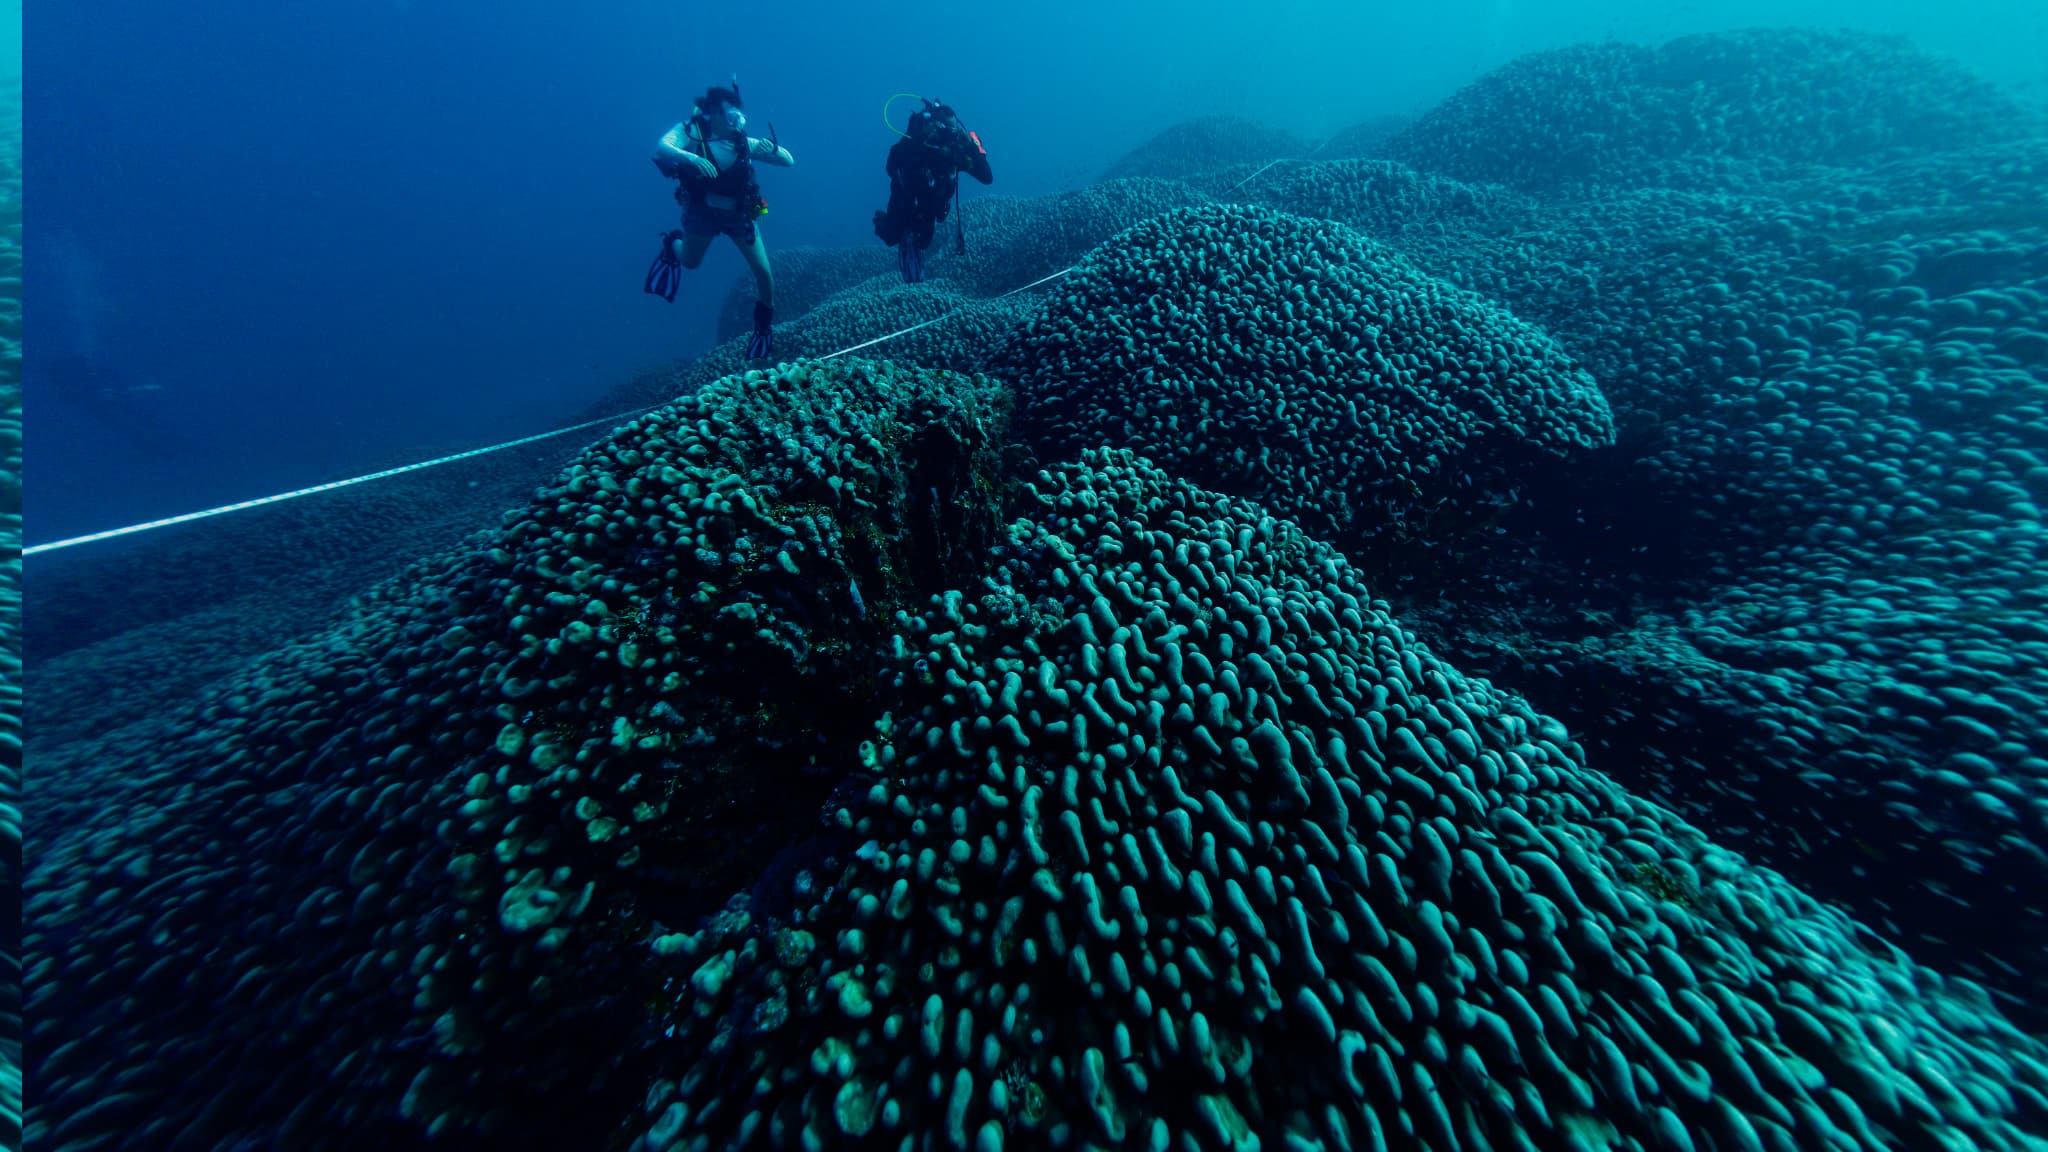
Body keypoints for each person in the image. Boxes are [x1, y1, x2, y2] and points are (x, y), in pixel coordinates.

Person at [644, 78, 794, 359]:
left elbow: (789, 160)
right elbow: (662, 146)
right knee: (690, 261)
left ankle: (762, 329)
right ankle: (672, 246)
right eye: (731, 114)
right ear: (713, 112)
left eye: (740, 115)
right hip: (702, 212)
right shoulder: (690, 132)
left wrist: (771, 148)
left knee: (764, 273)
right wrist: (690, 159)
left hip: (738, 214)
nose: (737, 121)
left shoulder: (744, 143)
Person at [872, 98, 991, 283]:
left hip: (931, 204)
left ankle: (910, 244)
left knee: (922, 241)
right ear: (934, 126)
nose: (946, 136)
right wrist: (918, 139)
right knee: (891, 236)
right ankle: (885, 221)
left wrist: (976, 149)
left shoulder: (957, 149)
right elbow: (891, 167)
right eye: (942, 129)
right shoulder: (918, 143)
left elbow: (986, 177)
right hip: (905, 197)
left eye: (952, 131)